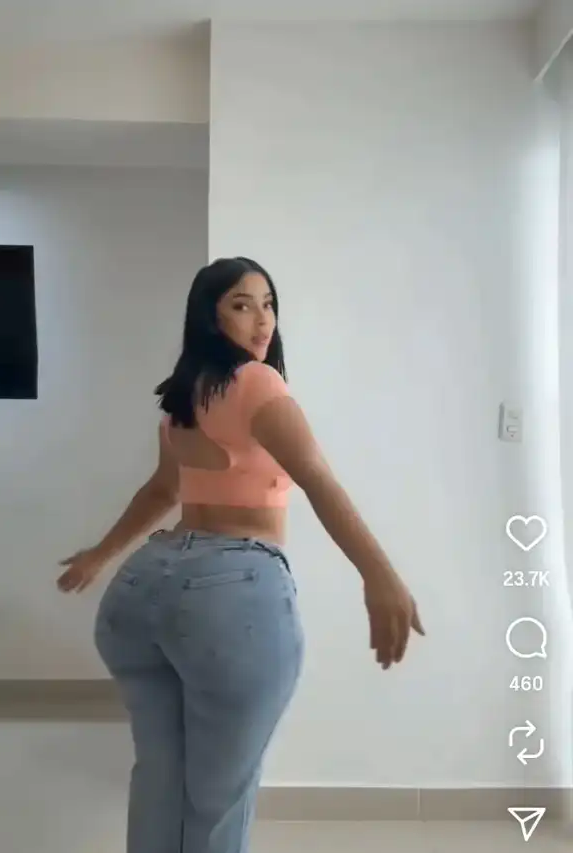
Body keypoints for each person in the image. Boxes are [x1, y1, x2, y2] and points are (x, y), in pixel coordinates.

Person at [57, 256, 425, 853]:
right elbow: (316, 477)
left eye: (268, 304)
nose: (262, 321)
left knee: (160, 781)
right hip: (228, 591)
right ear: (211, 316)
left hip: (142, 588)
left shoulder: (183, 397)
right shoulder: (257, 383)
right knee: (219, 797)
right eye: (241, 305)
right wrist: (378, 575)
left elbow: (164, 491)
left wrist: (101, 557)